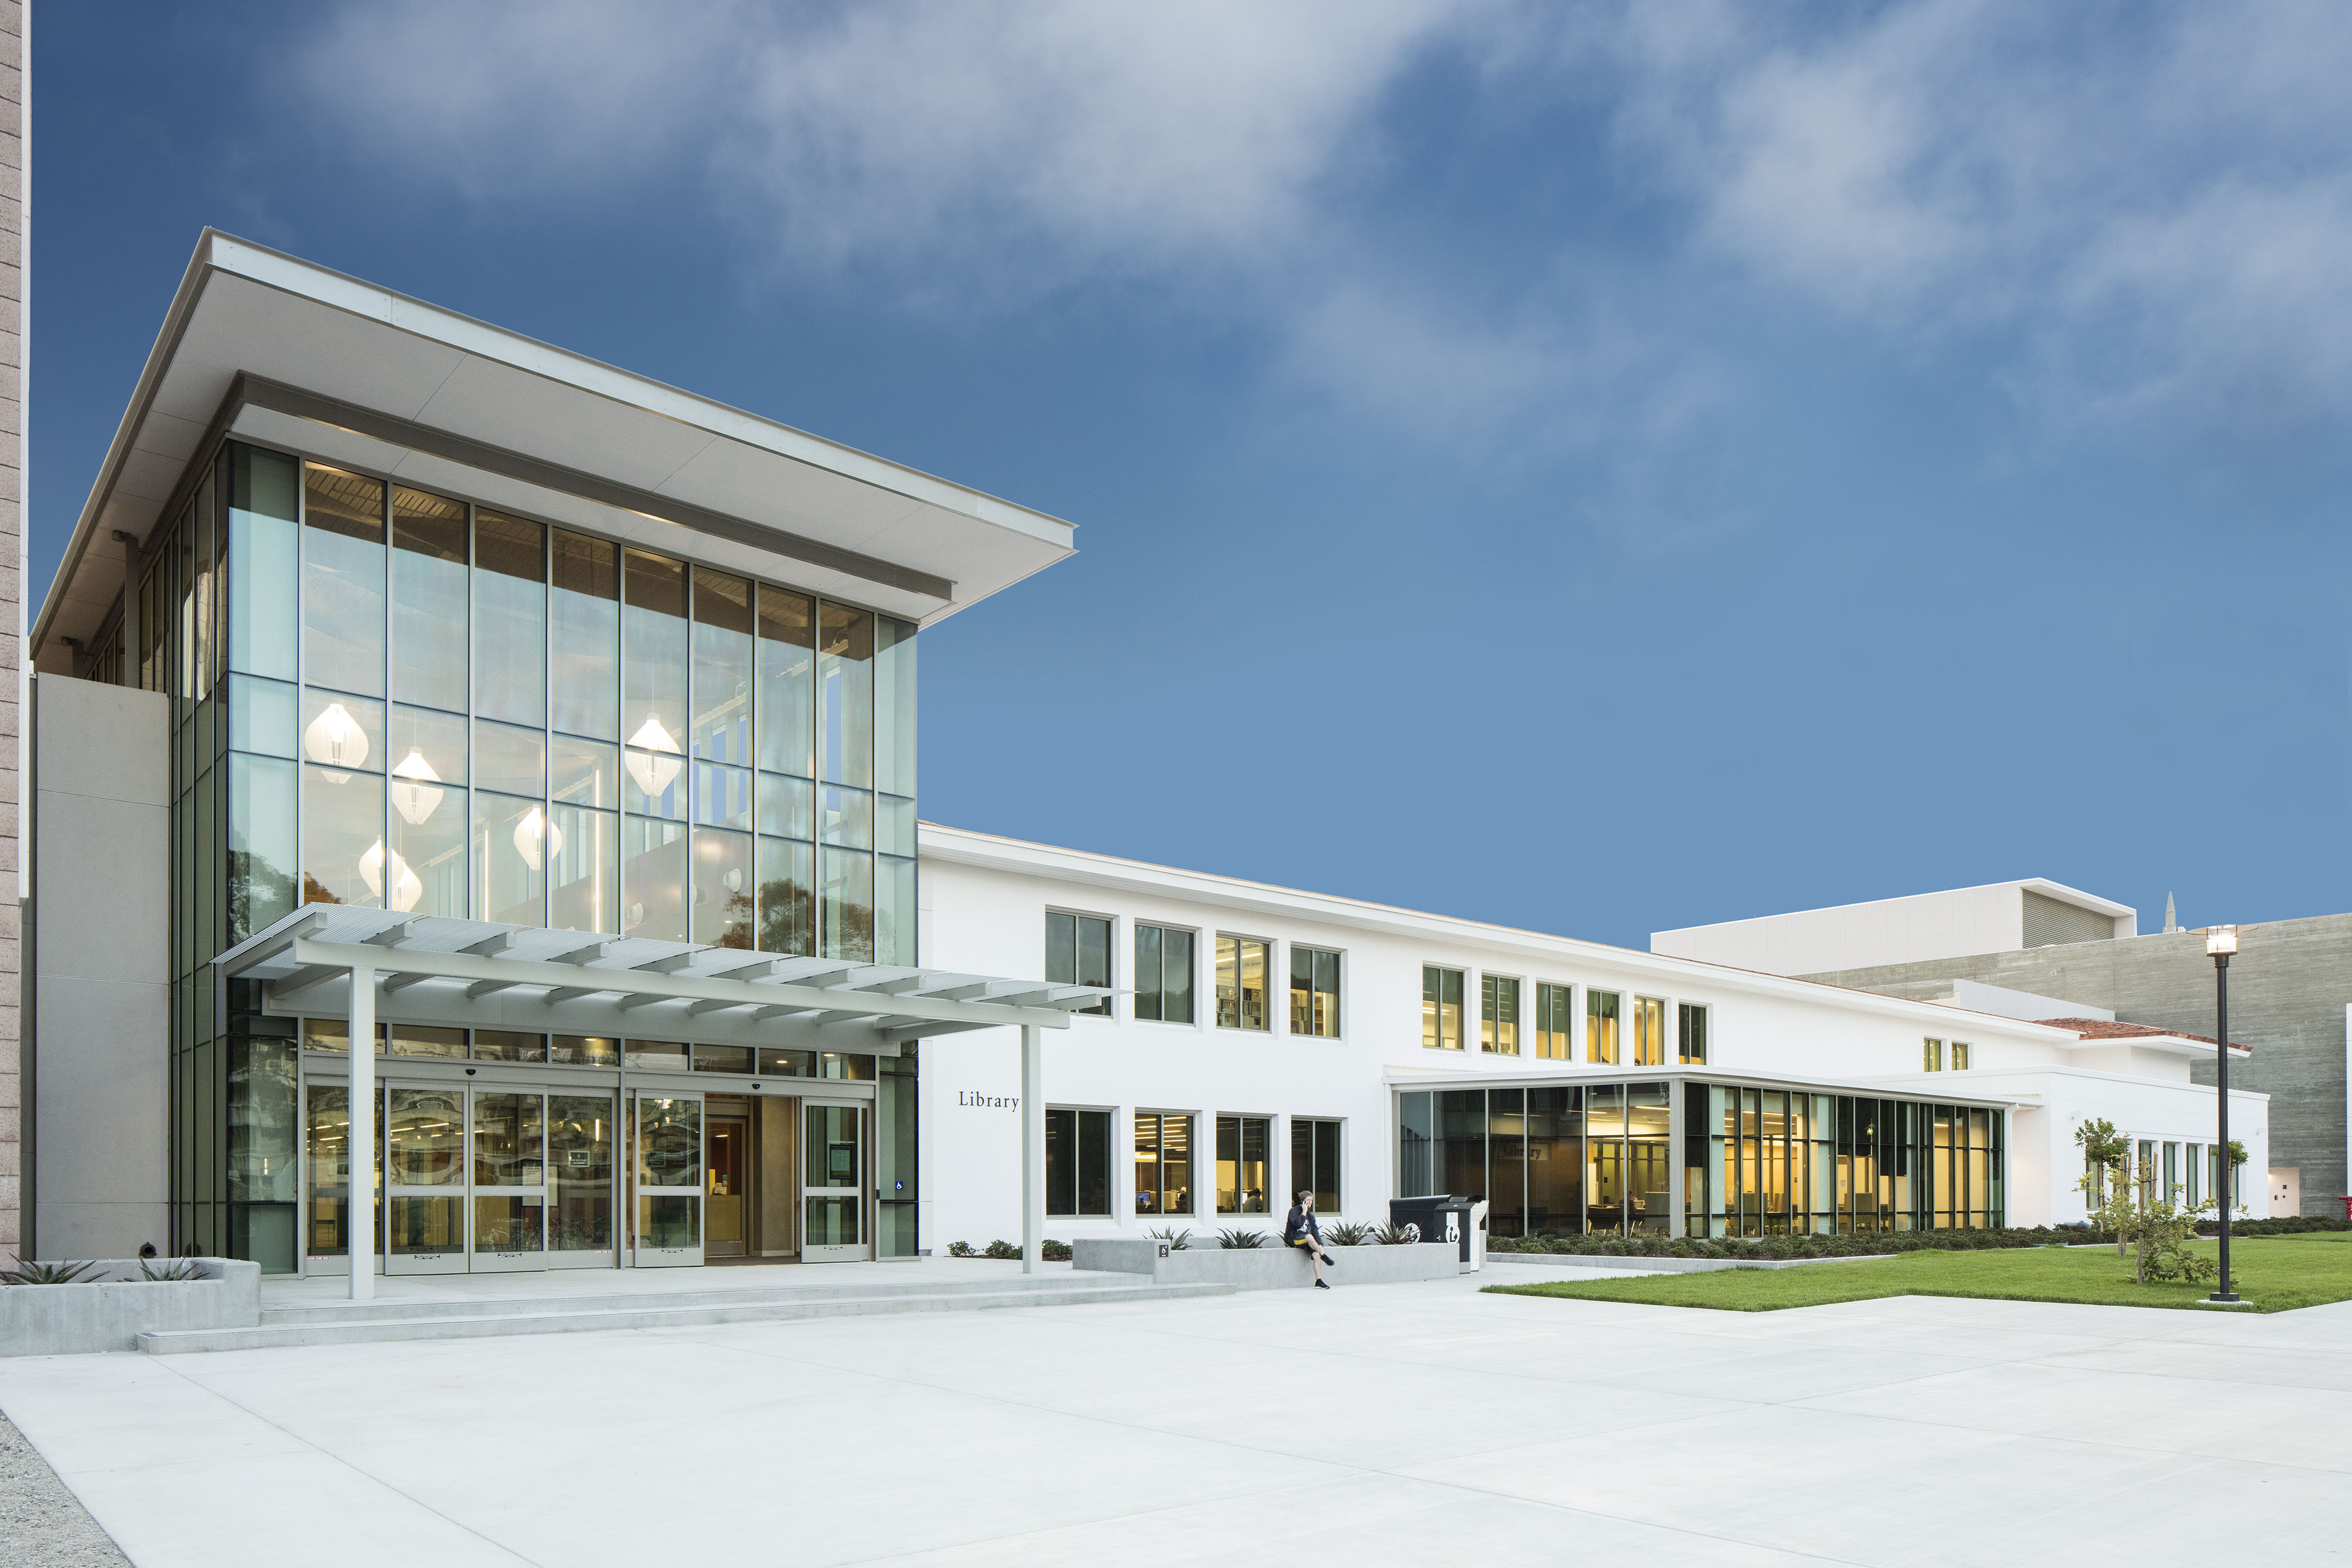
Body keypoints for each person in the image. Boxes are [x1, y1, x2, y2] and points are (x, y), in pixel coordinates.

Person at [1284, 1189, 1338, 1289]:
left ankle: (1319, 1281)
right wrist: (1304, 1212)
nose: (1310, 1202)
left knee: (1316, 1254)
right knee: (1309, 1237)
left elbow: (1315, 1231)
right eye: (1308, 1200)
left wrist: (1320, 1245)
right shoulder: (1293, 1211)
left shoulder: (1311, 1216)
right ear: (1302, 1201)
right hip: (1294, 1239)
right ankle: (1324, 1256)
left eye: (1311, 1200)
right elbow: (1298, 1224)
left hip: (1307, 1241)